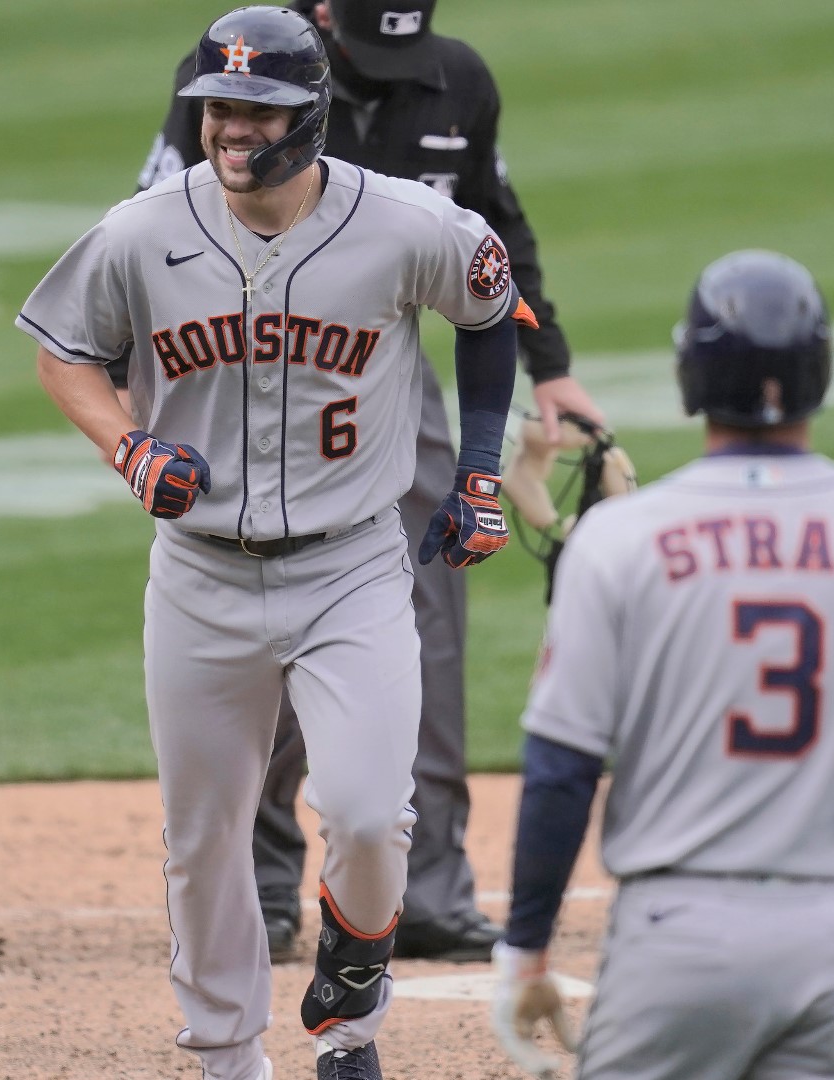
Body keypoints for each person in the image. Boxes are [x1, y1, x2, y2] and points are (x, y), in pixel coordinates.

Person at [22, 8, 530, 1077]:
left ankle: (348, 1020)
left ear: (311, 118)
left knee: (369, 815)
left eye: (259, 111)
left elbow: (492, 309)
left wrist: (480, 470)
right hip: (200, 577)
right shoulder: (142, 231)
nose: (232, 129)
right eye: (219, 108)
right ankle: (226, 1055)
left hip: (353, 566)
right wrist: (128, 447)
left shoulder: (403, 225)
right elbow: (65, 351)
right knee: (205, 835)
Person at [129, 0, 601, 964]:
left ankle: (424, 889)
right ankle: (265, 885)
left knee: (424, 614)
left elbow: (495, 232)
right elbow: (156, 223)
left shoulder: (457, 80)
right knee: (260, 598)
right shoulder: (245, 74)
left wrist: (548, 366)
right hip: (249, 360)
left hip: (384, 365)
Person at [486, 250, 834, 1079]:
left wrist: (525, 952)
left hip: (676, 940)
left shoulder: (618, 539)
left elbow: (563, 768)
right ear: (820, 371)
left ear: (691, 377)